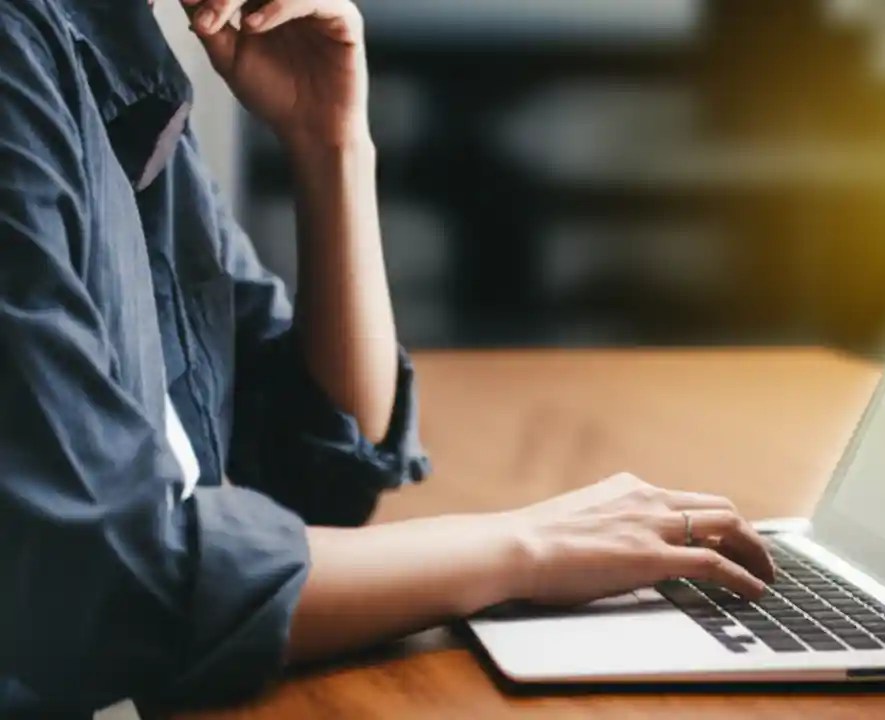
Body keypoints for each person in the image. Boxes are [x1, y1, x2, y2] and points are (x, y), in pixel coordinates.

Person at [0, 0, 776, 715]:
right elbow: (114, 584)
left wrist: (331, 137)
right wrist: (527, 545)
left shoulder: (106, 39)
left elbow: (322, 466)